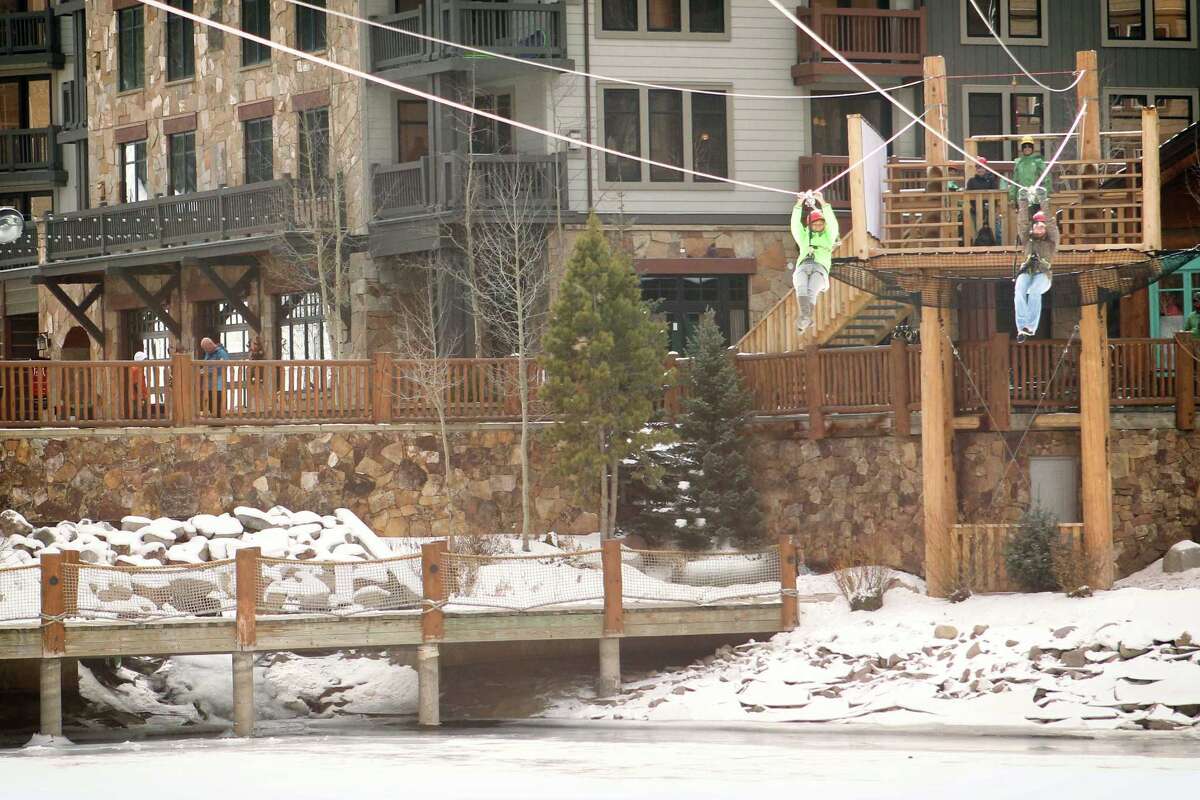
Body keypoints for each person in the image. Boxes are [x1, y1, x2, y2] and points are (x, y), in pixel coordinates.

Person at [790, 190, 840, 335]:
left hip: (820, 268)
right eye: (815, 225)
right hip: (803, 266)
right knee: (801, 286)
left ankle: (805, 318)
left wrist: (823, 203)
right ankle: (806, 318)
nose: (818, 227)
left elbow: (833, 223)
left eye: (820, 225)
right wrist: (798, 204)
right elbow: (794, 225)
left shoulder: (828, 237)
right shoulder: (803, 237)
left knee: (812, 290)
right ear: (809, 226)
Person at [1013, 188, 1059, 342]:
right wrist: (1023, 200)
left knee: (1034, 292)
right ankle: (1021, 328)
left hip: (1043, 276)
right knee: (1019, 290)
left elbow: (1051, 223)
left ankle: (1030, 327)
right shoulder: (1027, 239)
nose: (1038, 228)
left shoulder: (1052, 241)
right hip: (1027, 272)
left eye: (1042, 226)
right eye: (1036, 226)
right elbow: (1022, 221)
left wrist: (1043, 198)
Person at [1009, 136, 1048, 206]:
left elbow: (1046, 178)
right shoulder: (1019, 162)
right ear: (1022, 149)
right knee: (1023, 215)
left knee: (1037, 216)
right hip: (1022, 195)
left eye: (1029, 146)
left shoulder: (1038, 161)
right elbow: (1015, 180)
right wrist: (1012, 196)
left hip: (1036, 195)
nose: (1027, 149)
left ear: (1032, 148)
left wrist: (1047, 192)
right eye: (1025, 147)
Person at [200, 337, 230, 417]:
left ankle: (219, 423)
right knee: (210, 404)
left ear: (210, 344)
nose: (205, 351)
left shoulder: (221, 353)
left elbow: (223, 366)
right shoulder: (208, 353)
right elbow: (206, 364)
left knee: (218, 405)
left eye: (206, 348)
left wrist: (206, 371)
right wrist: (202, 370)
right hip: (209, 385)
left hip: (218, 385)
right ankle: (214, 422)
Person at [129, 351, 150, 419]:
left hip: (142, 394)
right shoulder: (135, 369)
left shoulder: (140, 368)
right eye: (144, 360)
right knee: (139, 412)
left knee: (143, 412)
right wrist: (140, 396)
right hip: (137, 396)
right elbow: (135, 384)